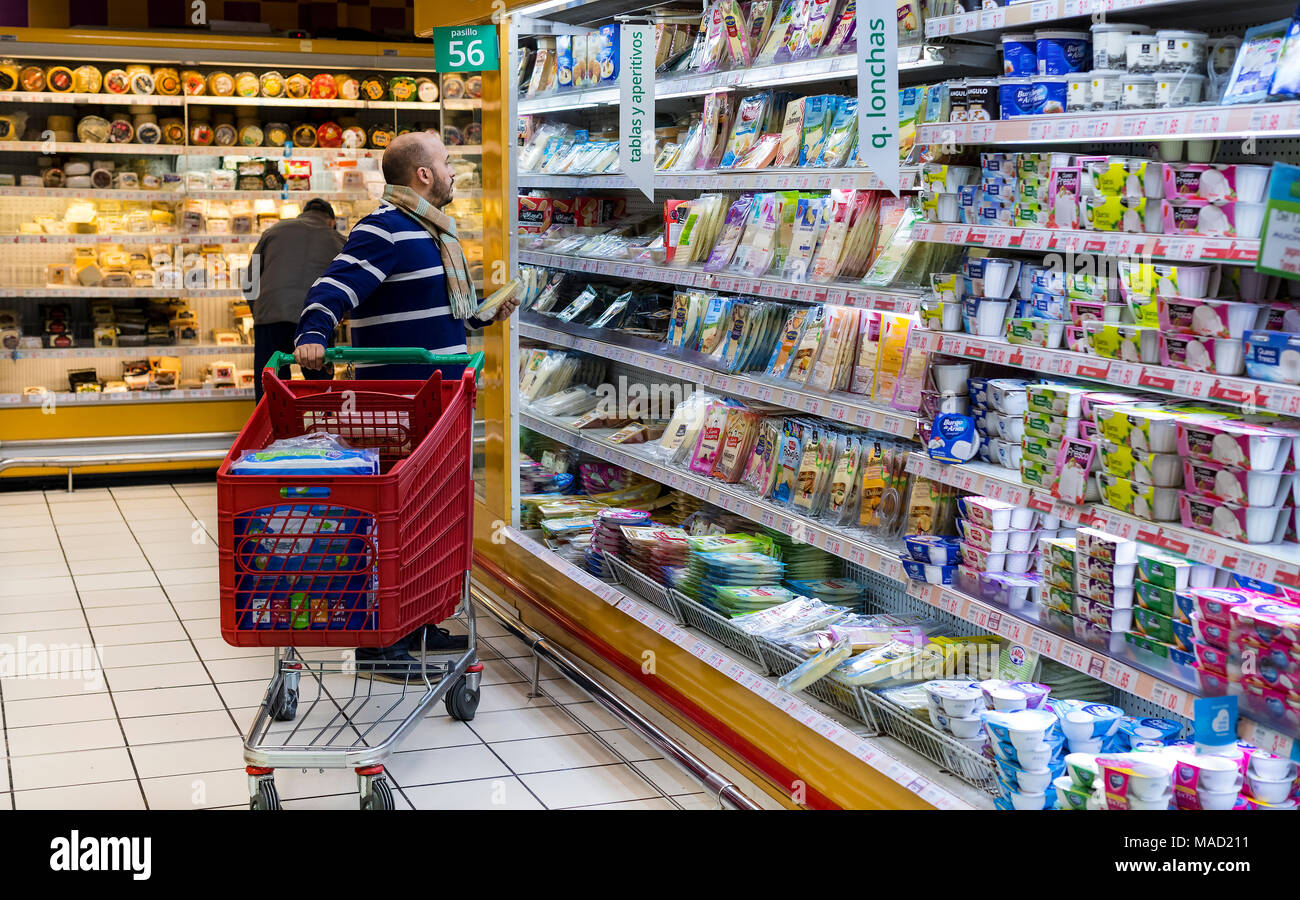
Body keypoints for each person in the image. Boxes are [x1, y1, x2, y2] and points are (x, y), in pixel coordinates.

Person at [294, 131, 519, 682]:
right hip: (394, 406)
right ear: (422, 175)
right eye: (445, 164)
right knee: (391, 516)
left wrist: (485, 315)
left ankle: (414, 623)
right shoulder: (384, 228)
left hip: (436, 403)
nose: (452, 173)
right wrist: (314, 331)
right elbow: (334, 284)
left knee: (424, 515)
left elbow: (449, 314)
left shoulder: (434, 234)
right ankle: (380, 638)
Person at [246, 197, 346, 401]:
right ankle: (321, 428)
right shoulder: (338, 240)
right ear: (331, 221)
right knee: (319, 387)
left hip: (270, 317)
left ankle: (273, 431)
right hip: (315, 320)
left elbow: (249, 280)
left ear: (302, 214)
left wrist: (258, 313)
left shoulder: (273, 231)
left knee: (271, 388)